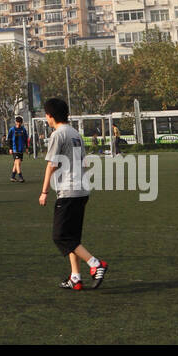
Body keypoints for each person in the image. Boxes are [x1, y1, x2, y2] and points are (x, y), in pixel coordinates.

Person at [38, 98, 109, 291]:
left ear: (51, 115)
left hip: (69, 191)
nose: (46, 118)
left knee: (60, 236)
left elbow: (51, 165)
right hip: (81, 190)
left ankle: (95, 264)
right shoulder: (75, 133)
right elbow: (84, 162)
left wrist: (44, 191)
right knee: (73, 238)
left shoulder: (58, 134)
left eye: (46, 114)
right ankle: (75, 277)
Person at [8, 115, 29, 182]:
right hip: (15, 149)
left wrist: (27, 147)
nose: (18, 123)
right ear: (15, 122)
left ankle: (13, 177)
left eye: (20, 122)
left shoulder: (23, 129)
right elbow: (9, 139)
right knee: (18, 162)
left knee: (16, 163)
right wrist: (10, 148)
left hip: (21, 149)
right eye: (17, 122)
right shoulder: (12, 129)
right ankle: (20, 177)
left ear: (21, 122)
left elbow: (26, 139)